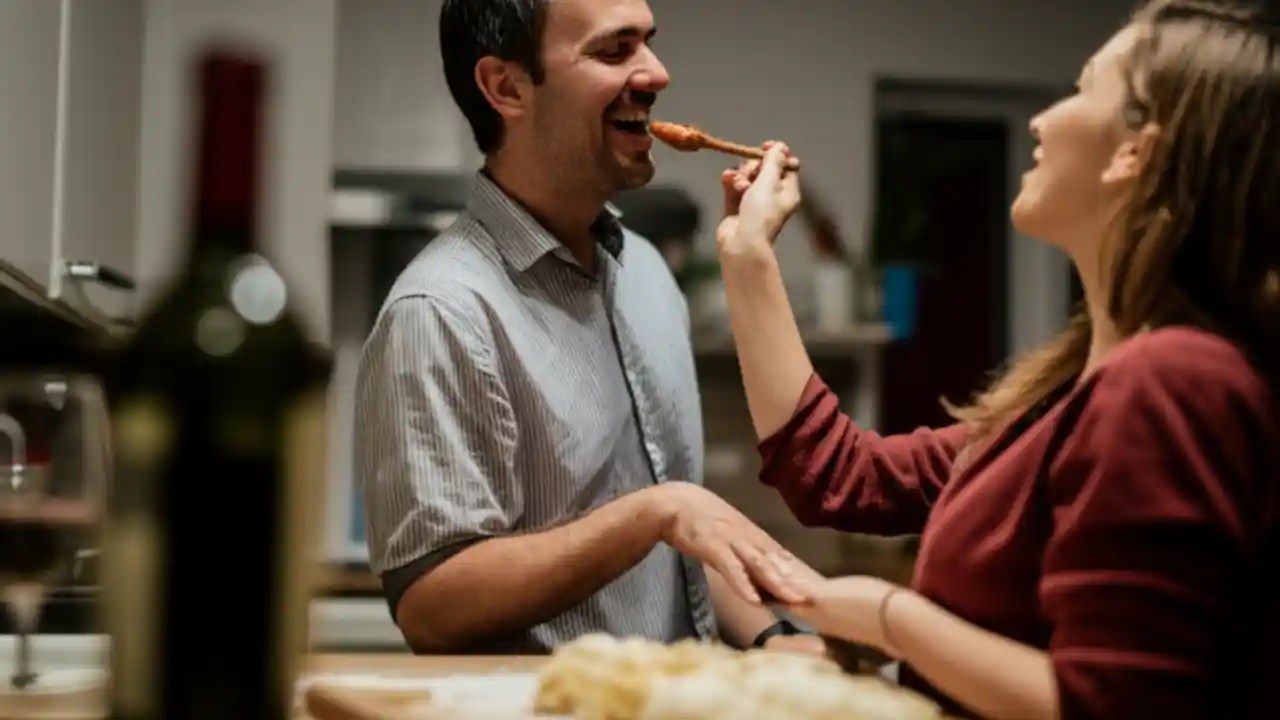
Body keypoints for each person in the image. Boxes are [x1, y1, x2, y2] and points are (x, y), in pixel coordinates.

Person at [715, 0, 1279, 717]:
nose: (1043, 120)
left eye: (1081, 88)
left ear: (1137, 153)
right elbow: (840, 476)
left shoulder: (1172, 382)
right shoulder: (1072, 395)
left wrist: (891, 617)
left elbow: (1116, 704)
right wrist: (748, 257)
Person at [354, 0, 816, 656]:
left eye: (648, 43)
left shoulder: (648, 273)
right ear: (506, 87)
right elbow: (432, 606)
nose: (656, 73)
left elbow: (683, 558)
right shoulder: (440, 312)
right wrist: (653, 514)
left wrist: (774, 637)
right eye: (614, 50)